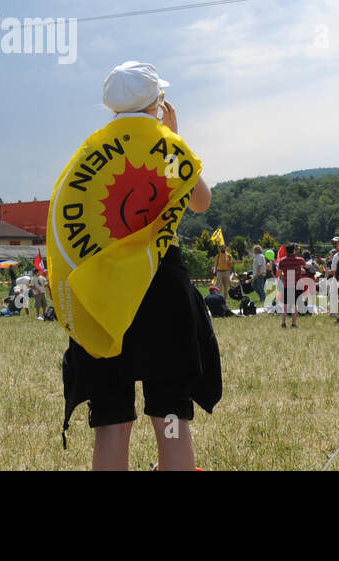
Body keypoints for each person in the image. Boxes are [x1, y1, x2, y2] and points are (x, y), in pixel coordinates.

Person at [57, 61, 219, 471]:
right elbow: (201, 202)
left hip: (105, 295)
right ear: (157, 103)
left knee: (111, 422)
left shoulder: (92, 149)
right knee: (170, 417)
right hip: (161, 286)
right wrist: (174, 139)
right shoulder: (166, 145)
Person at [276, 246, 306, 328]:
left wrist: (284, 277)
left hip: (287, 284)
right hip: (297, 284)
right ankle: (293, 323)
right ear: (293, 251)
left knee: (285, 305)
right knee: (295, 305)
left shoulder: (282, 260)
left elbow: (279, 273)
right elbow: (305, 266)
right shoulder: (300, 260)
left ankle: (283, 323)